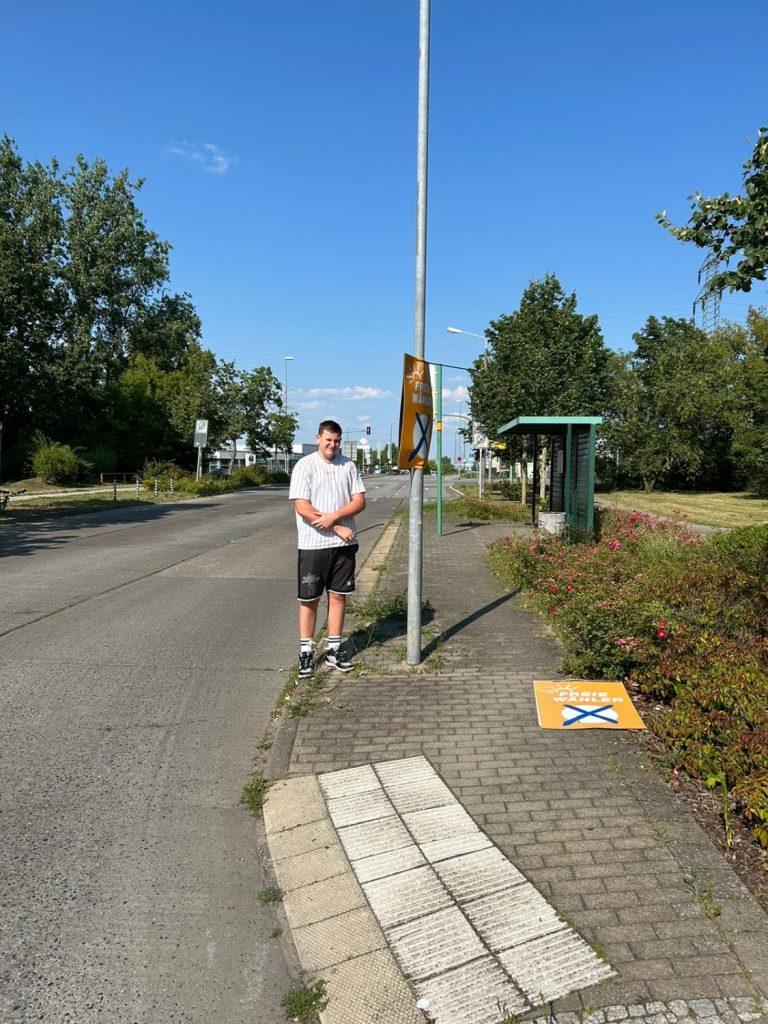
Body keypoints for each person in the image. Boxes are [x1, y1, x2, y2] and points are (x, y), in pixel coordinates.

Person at [288, 420, 366, 678]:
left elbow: (359, 501)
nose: (332, 445)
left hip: (344, 546)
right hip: (313, 546)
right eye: (328, 440)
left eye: (336, 441)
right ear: (318, 438)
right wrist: (336, 527)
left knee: (338, 596)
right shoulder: (305, 466)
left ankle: (333, 650)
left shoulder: (348, 465)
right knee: (310, 599)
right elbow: (303, 507)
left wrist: (334, 518)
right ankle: (306, 653)